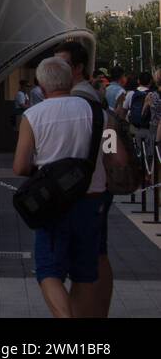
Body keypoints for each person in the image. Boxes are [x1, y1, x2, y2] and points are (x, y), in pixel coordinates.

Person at [14, 57, 121, 318]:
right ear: (71, 79)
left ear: (41, 84)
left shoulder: (33, 115)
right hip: (92, 201)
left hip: (52, 202)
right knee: (85, 273)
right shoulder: (99, 113)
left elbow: (19, 166)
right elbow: (115, 159)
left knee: (49, 272)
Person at [55, 39, 116, 317]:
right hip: (94, 185)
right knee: (95, 254)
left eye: (63, 64)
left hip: (88, 187)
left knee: (88, 258)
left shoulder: (80, 99)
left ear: (78, 68)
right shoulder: (85, 94)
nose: (58, 70)